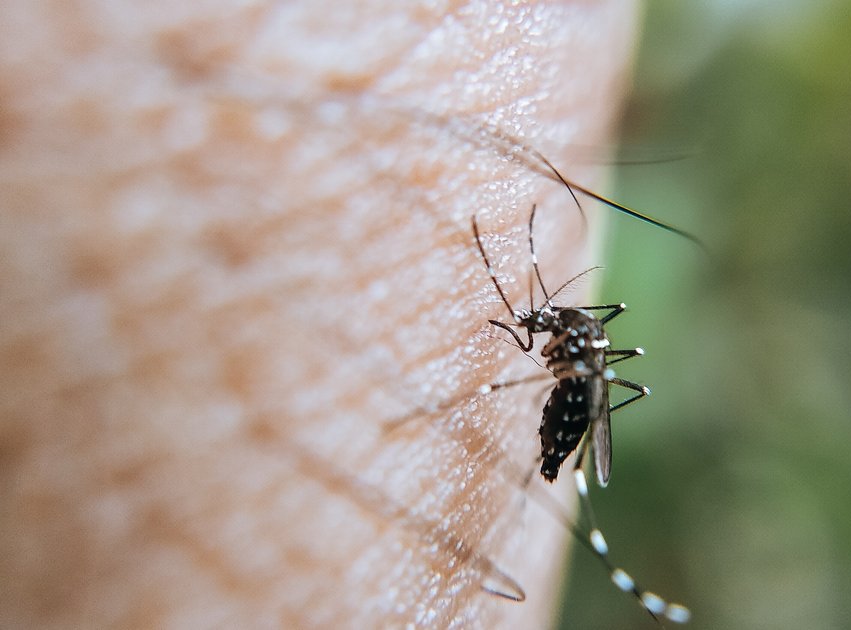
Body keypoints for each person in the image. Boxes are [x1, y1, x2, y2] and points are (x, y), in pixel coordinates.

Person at [0, 1, 638, 627]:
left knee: (577, 388)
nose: (547, 327)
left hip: (573, 398)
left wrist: (518, 382)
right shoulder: (577, 338)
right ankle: (562, 466)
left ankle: (559, 462)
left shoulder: (572, 354)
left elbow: (567, 368)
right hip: (575, 391)